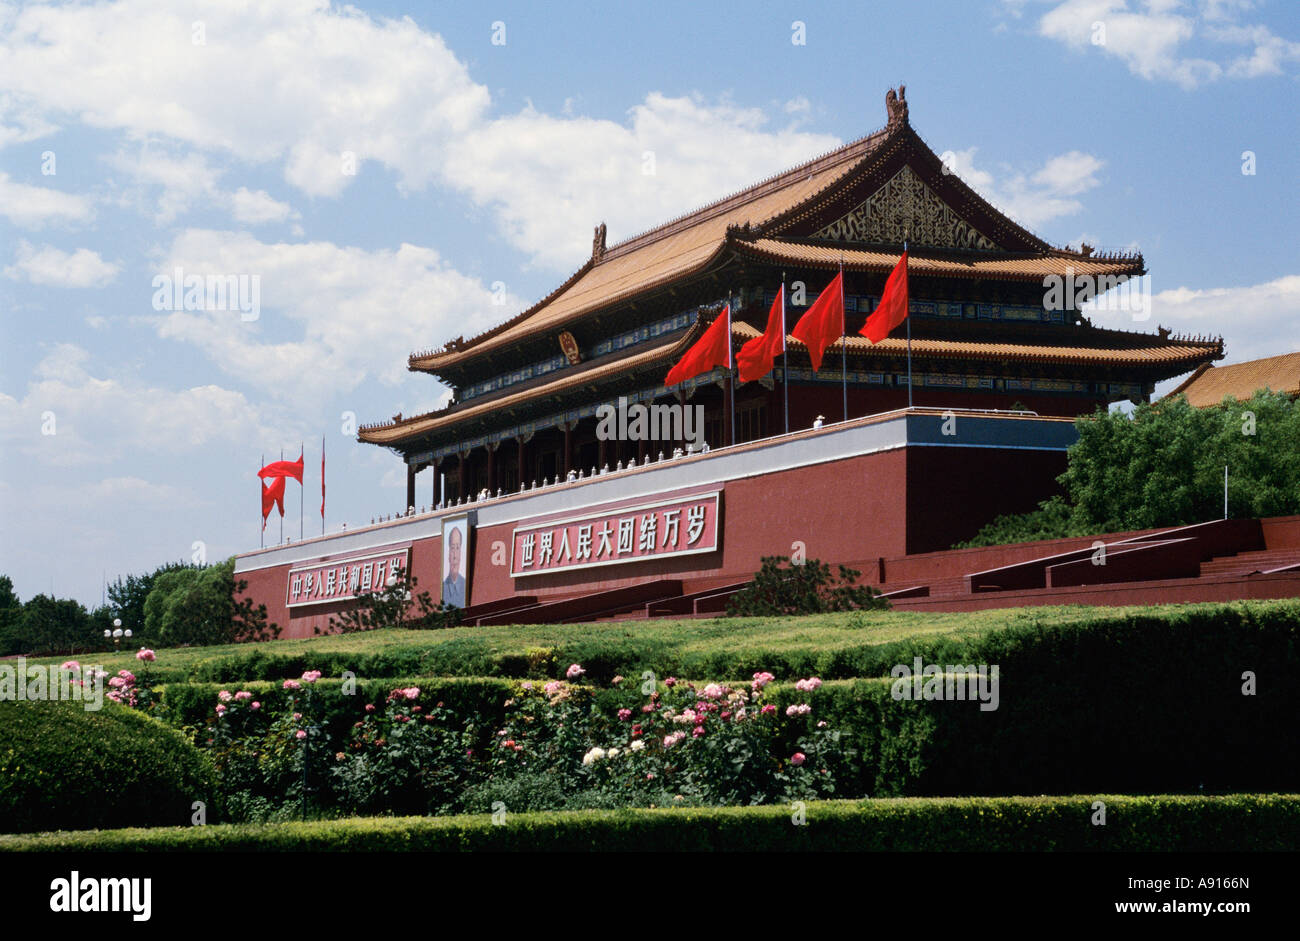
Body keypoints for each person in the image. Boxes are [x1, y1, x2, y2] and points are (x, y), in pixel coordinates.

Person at [442, 525, 466, 607]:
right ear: (448, 553)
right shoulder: (442, 588)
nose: (455, 556)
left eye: (458, 548)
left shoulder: (465, 585)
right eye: (452, 548)